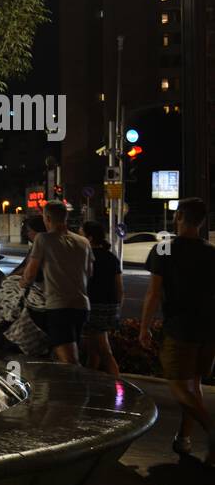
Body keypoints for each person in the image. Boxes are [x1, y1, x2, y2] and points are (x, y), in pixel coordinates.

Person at [140, 197, 215, 464]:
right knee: (194, 384)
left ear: (180, 216)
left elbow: (153, 294)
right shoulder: (211, 251)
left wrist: (144, 328)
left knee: (177, 384)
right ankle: (183, 439)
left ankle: (211, 429)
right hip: (208, 329)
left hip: (180, 327)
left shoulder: (164, 250)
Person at [21, 201, 92, 365]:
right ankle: (66, 387)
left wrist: (22, 283)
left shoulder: (43, 239)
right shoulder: (83, 242)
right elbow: (89, 273)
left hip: (60, 306)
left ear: (47, 218)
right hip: (82, 306)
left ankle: (76, 389)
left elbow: (30, 273)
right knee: (68, 353)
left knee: (69, 360)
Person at [82, 219, 122, 377]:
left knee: (104, 351)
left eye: (81, 234)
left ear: (90, 238)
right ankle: (90, 382)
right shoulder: (111, 257)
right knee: (94, 351)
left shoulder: (87, 256)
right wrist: (118, 309)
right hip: (110, 307)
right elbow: (119, 288)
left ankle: (117, 383)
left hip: (94, 306)